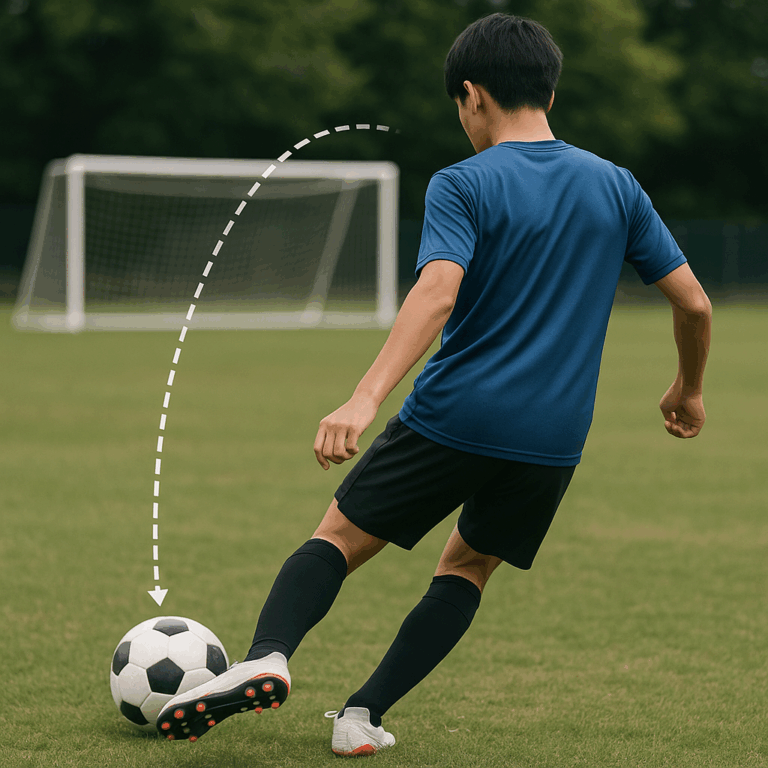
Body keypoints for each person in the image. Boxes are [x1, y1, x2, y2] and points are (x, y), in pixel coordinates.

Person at [156, 11, 712, 756]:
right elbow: (695, 302)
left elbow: (436, 292)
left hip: (457, 414)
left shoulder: (464, 182)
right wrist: (688, 388)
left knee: (339, 538)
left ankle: (267, 657)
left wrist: (364, 396)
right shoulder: (616, 186)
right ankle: (361, 715)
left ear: (472, 96)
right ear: (550, 92)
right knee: (468, 567)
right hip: (553, 439)